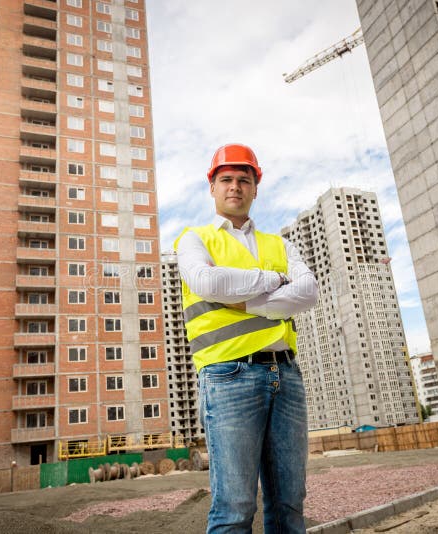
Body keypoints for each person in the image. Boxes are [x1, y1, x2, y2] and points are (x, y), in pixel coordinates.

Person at [175, 143, 318, 533]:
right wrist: (273, 283)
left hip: (285, 376)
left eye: (244, 179)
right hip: (228, 376)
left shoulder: (280, 244)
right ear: (212, 187)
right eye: (226, 180)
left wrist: (244, 303)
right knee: (235, 507)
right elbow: (207, 281)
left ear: (256, 187)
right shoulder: (194, 239)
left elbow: (308, 292)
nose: (235, 186)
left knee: (289, 503)